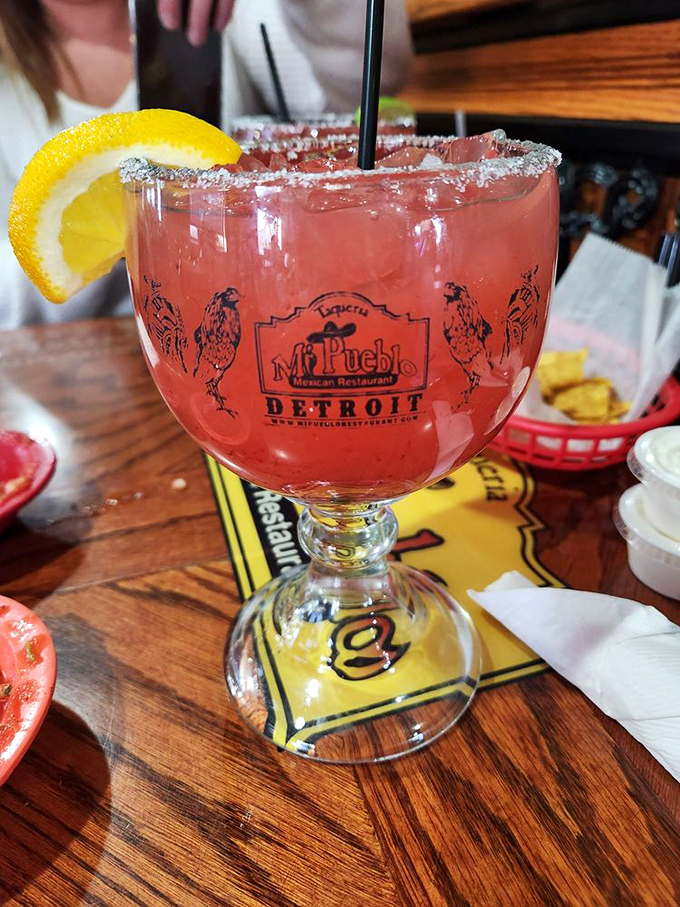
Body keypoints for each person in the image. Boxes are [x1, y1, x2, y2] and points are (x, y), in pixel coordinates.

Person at [0, 0, 413, 329]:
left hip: (266, 324)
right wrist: (145, 231)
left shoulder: (229, 14)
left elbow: (363, 85)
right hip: (73, 374)